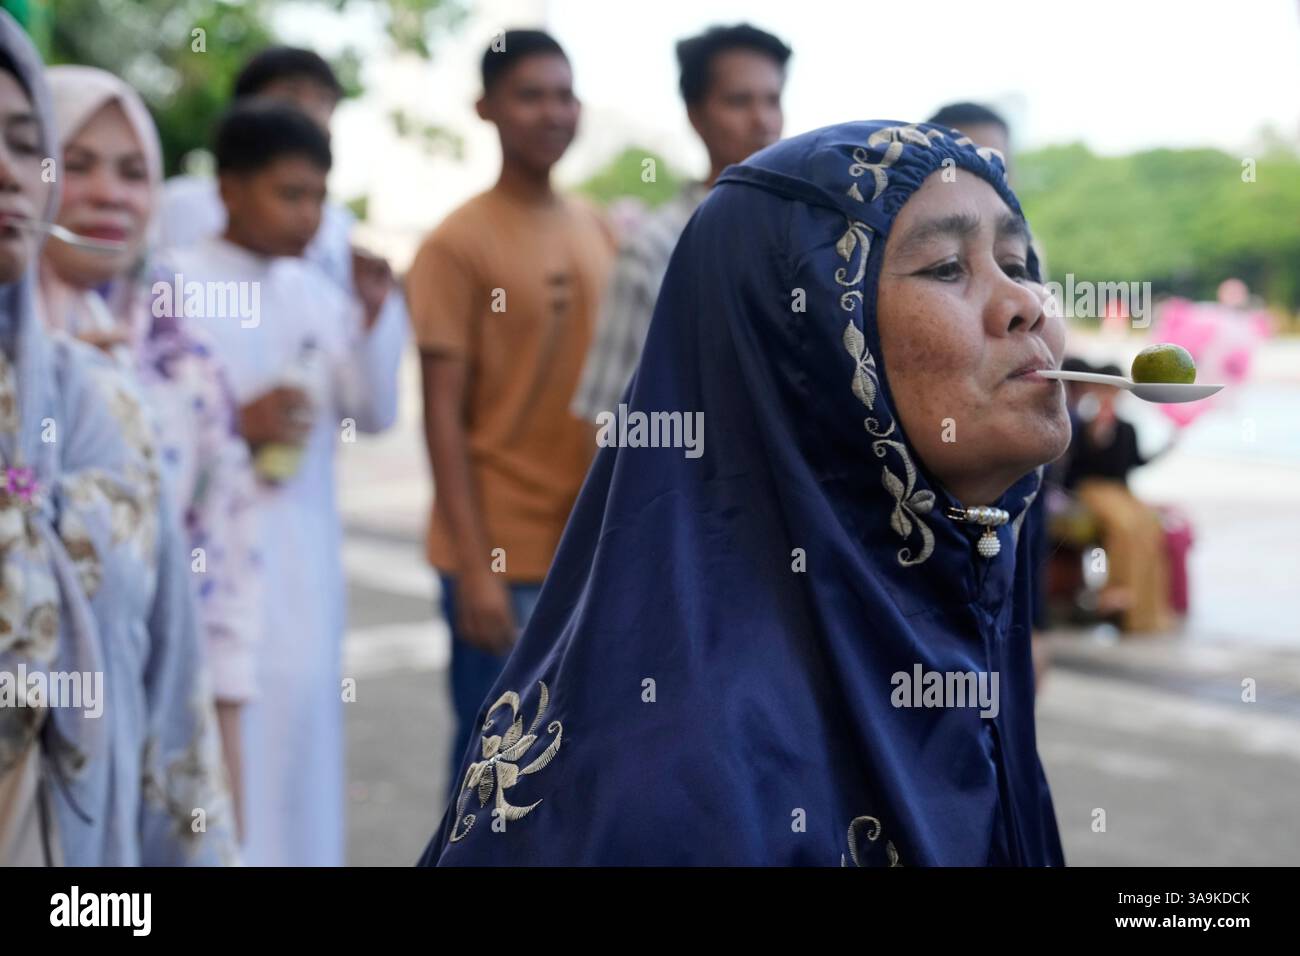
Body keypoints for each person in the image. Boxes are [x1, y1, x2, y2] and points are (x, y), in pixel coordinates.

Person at [417, 119, 1071, 866]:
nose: (1025, 304)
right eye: (948, 267)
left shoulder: (958, 615)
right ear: (818, 346)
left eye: (1019, 262)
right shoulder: (679, 779)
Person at [0, 10, 235, 866]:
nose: (9, 172)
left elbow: (172, 698)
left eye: (28, 144)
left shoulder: (114, 391)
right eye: (80, 160)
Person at [163, 101, 404, 865]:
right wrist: (233, 420)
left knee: (301, 753)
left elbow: (374, 411)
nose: (310, 215)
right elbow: (143, 431)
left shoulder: (315, 292)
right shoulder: (172, 284)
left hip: (304, 568)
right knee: (221, 759)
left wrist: (373, 318)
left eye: (318, 196)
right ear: (230, 188)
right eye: (289, 193)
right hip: (209, 575)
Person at [39, 64, 262, 835]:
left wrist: (215, 795)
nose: (111, 194)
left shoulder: (186, 370)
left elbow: (222, 584)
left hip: (149, 733)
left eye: (134, 172)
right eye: (78, 162)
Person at [406, 30, 614, 785]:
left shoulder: (595, 227)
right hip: (503, 555)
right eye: (530, 95)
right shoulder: (455, 246)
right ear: (486, 108)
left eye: (564, 94)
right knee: (491, 776)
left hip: (587, 551)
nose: (552, 112)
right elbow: (441, 418)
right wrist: (475, 569)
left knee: (576, 772)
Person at [571, 23, 790, 421]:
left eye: (772, 100)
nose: (762, 120)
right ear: (695, 115)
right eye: (739, 101)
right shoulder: (655, 247)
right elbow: (608, 416)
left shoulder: (807, 234)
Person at [157, 46, 405, 334]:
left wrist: (372, 313)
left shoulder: (336, 227)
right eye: (291, 95)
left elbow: (345, 346)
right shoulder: (179, 206)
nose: (312, 113)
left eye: (325, 101)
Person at [1063, 364, 1178, 633]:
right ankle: (1116, 600)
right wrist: (1097, 436)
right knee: (1124, 527)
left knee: (1150, 527)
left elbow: (1135, 462)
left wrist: (1168, 446)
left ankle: (1147, 611)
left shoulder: (1127, 428)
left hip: (1120, 491)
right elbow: (1075, 467)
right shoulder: (1084, 424)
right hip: (1093, 489)